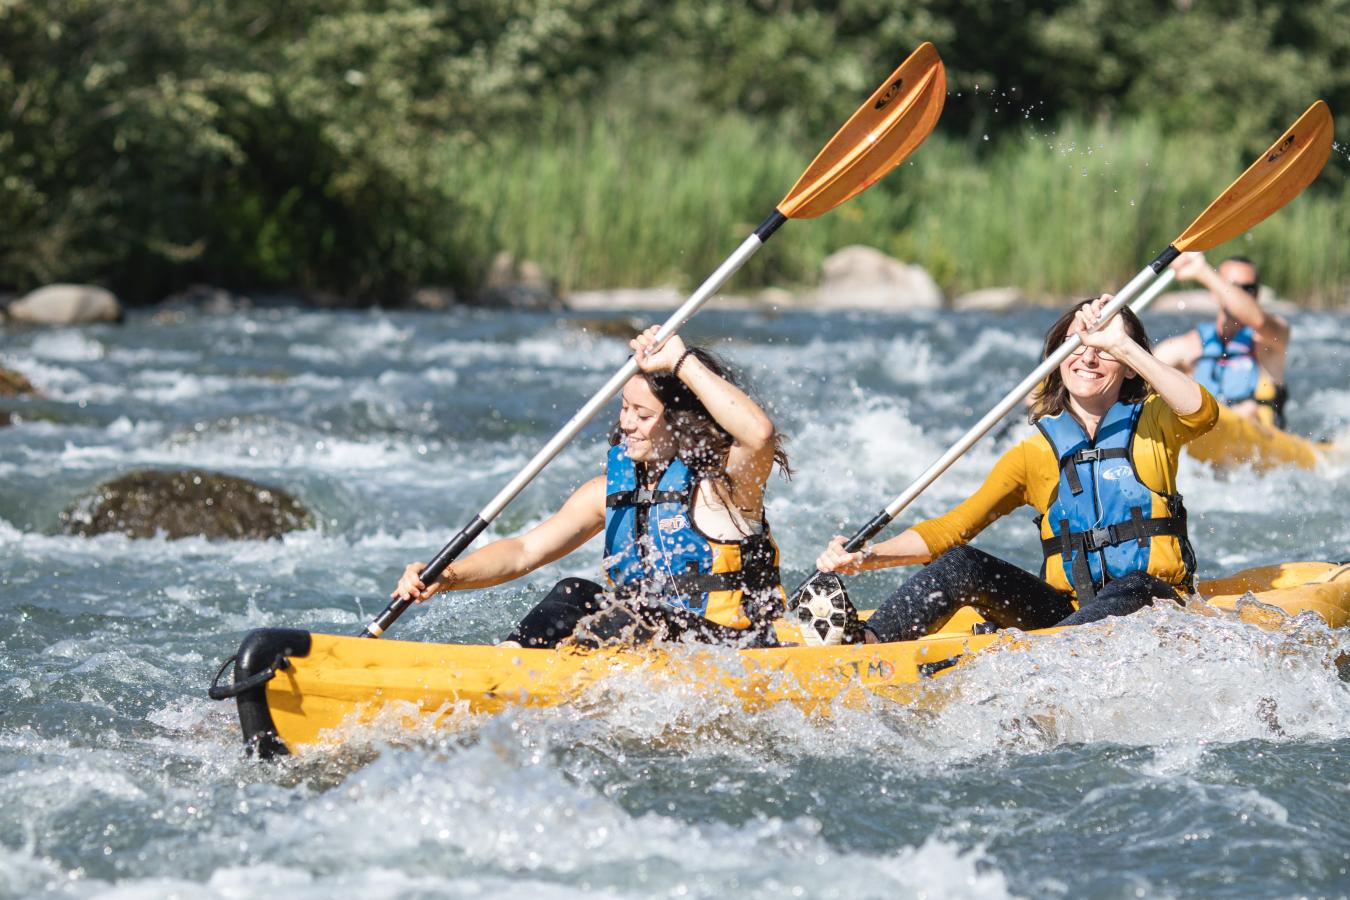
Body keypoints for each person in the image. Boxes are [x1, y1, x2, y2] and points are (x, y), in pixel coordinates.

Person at [815, 296, 1219, 643]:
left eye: (1106, 350)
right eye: (1076, 344)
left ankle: (1051, 658)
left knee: (1136, 585)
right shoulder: (1034, 454)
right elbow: (951, 530)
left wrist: (1121, 342)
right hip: (1068, 620)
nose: (1089, 357)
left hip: (1155, 607)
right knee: (962, 563)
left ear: (1130, 366)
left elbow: (1202, 412)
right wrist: (867, 556)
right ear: (1057, 359)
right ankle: (868, 642)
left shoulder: (1154, 421)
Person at [392, 326, 792, 649]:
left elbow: (758, 435)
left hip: (732, 648)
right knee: (576, 593)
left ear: (682, 422)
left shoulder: (725, 486)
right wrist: (449, 575)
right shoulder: (606, 493)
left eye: (643, 414)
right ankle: (510, 663)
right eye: (624, 408)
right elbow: (523, 552)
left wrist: (680, 361)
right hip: (654, 646)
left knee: (637, 612)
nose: (627, 424)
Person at [1154, 252, 1291, 428]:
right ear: (1214, 291)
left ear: (1256, 294)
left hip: (1262, 445)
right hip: (1205, 436)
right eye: (1232, 287)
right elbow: (1143, 372)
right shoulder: (1189, 346)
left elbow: (1259, 321)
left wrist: (1201, 270)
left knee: (1249, 411)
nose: (1240, 295)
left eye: (1248, 289)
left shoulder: (1271, 340)